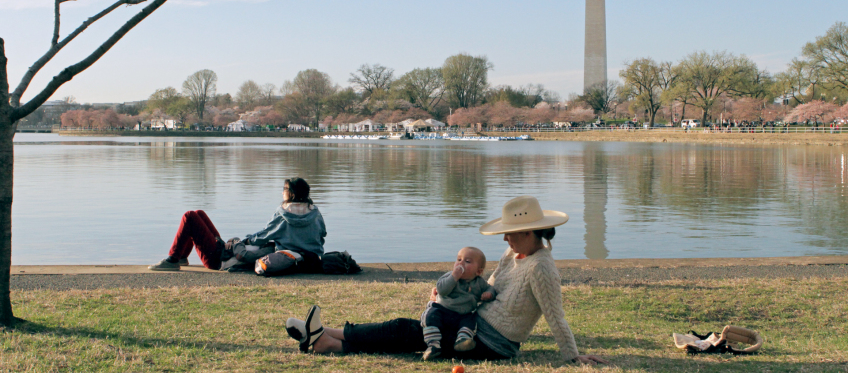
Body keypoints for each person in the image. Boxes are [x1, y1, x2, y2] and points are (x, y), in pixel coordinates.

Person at [285, 196, 608, 366]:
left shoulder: (543, 268)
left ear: (531, 233)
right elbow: (485, 287)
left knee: (406, 330)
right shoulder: (513, 255)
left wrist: (572, 355)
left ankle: (327, 334)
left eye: (511, 233)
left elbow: (556, 316)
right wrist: (452, 291)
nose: (506, 238)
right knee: (413, 333)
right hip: (471, 321)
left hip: (493, 344)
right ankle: (327, 341)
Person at [148, 177, 326, 272]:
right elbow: (322, 235)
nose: (282, 192)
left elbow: (262, 237)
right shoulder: (315, 213)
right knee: (198, 214)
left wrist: (242, 241)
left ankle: (172, 260)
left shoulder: (284, 214)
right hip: (308, 256)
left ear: (292, 194)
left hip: (218, 260)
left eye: (284, 189)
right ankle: (181, 257)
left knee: (190, 216)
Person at [421, 246, 496, 361]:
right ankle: (433, 344)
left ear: (479, 271)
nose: (461, 263)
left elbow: (490, 288)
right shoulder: (450, 276)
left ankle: (463, 340)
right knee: (430, 316)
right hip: (442, 309)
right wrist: (454, 277)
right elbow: (441, 289)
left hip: (463, 314)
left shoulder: (479, 283)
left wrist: (488, 294)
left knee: (471, 321)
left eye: (467, 261)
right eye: (459, 260)